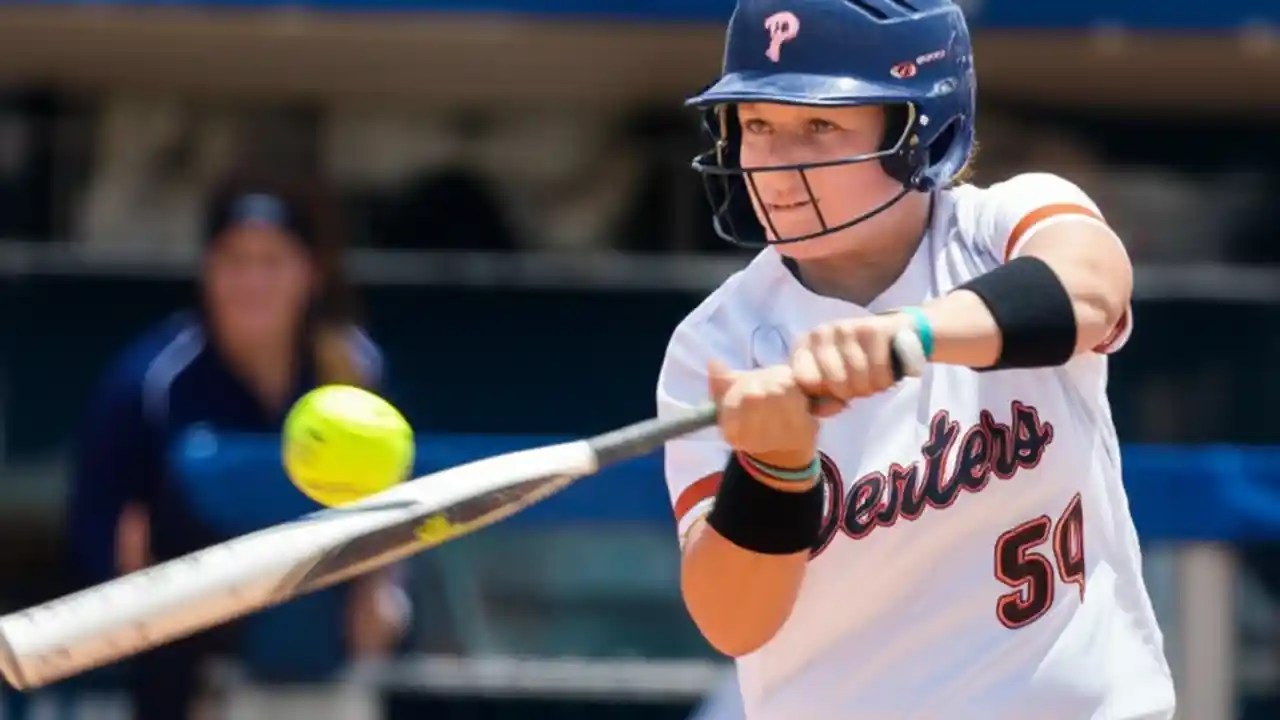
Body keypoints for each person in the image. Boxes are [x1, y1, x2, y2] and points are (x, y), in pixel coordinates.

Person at [657, 1, 1175, 718]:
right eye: (757, 125)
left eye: (819, 125)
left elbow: (1091, 291)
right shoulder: (715, 345)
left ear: (920, 133)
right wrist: (773, 471)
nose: (774, 165)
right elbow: (731, 621)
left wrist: (909, 336)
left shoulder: (1002, 226)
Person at [65, 170, 409, 719]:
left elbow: (393, 512)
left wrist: (380, 593)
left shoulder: (353, 368)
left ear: (310, 273)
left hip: (328, 672)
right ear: (208, 270)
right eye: (235, 260)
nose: (253, 281)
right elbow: (107, 539)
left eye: (272, 261)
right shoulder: (149, 383)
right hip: (194, 677)